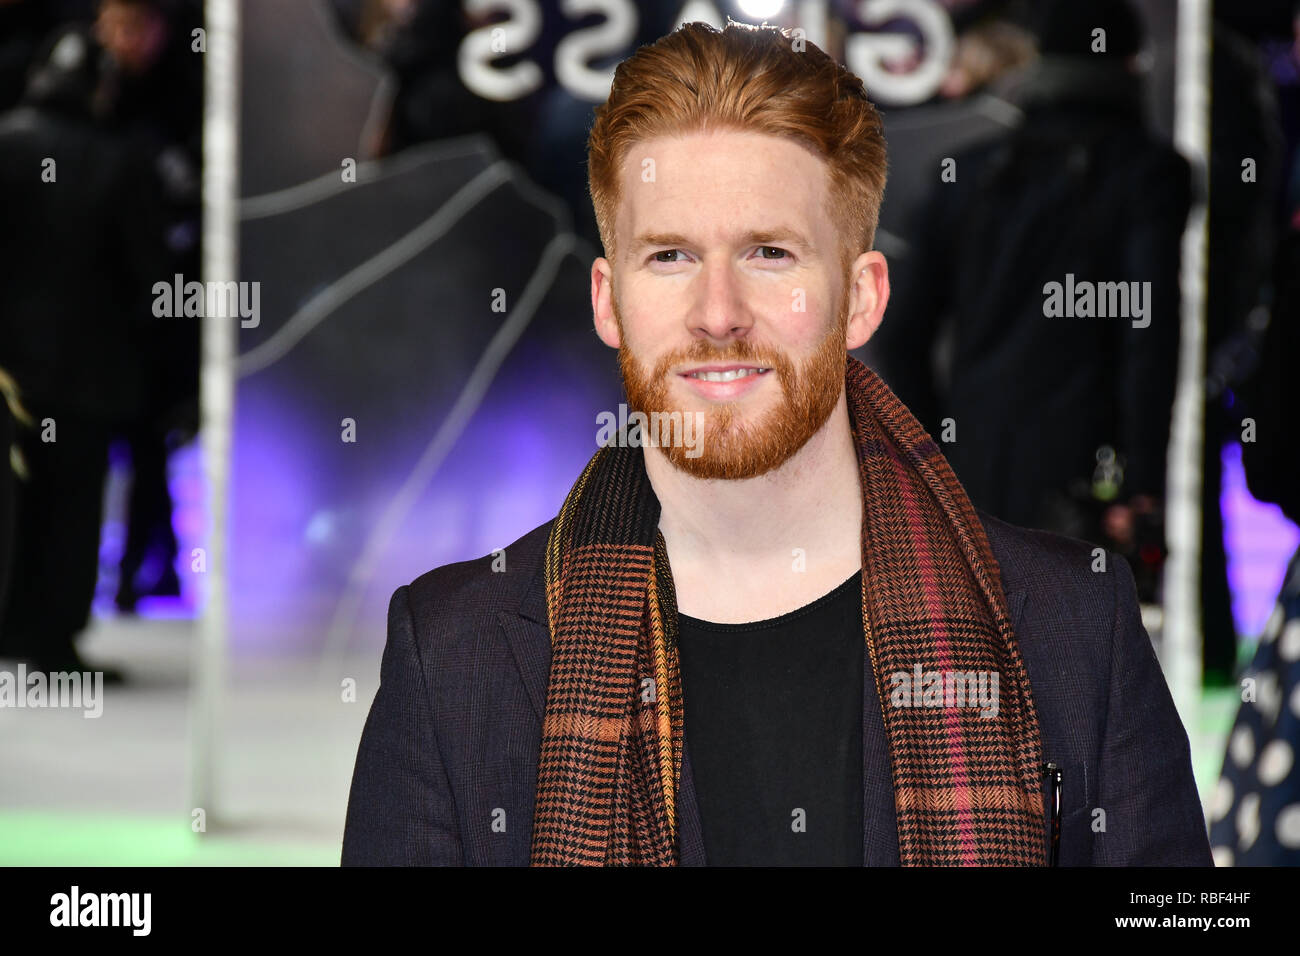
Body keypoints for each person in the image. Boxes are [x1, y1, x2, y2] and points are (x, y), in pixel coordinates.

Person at [341, 20, 1211, 866]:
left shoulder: (1072, 633)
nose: (719, 313)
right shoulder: (452, 657)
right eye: (671, 257)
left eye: (769, 253)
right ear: (609, 301)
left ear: (863, 298)